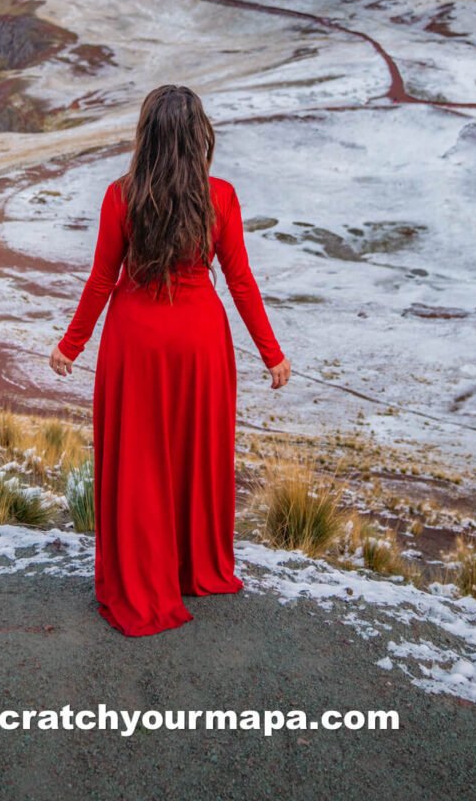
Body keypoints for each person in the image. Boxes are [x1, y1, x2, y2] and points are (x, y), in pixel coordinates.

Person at [48, 84, 291, 637]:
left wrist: (71, 344)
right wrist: (272, 355)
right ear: (198, 136)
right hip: (201, 343)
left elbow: (102, 280)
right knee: (194, 454)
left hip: (136, 342)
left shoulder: (121, 195)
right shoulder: (221, 198)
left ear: (147, 134)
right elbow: (241, 283)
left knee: (140, 461)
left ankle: (144, 574)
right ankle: (194, 567)